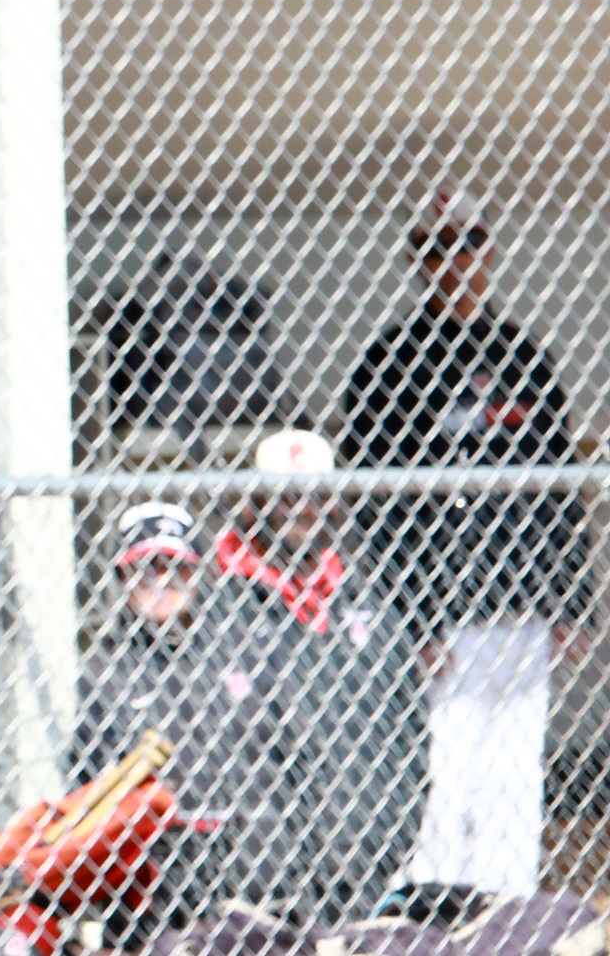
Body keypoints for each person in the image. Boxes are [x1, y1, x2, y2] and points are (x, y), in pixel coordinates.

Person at [340, 185, 594, 898]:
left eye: (468, 242)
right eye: (435, 247)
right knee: (441, 782)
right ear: (414, 260)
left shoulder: (524, 356)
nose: (454, 260)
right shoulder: (388, 364)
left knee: (513, 780)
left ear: (490, 250)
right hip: (441, 606)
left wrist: (574, 600)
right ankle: (435, 923)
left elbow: (558, 483)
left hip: (520, 599)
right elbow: (375, 504)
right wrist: (409, 616)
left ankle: (507, 920)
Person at [74, 502, 346, 932]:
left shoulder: (250, 649)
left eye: (173, 567)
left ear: (196, 574)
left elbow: (307, 762)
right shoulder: (102, 673)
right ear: (122, 579)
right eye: (143, 569)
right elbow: (88, 796)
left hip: (267, 891)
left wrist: (326, 870)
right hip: (162, 904)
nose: (160, 581)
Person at [211, 429, 427, 923]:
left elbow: (410, 731)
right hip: (259, 894)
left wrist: (389, 837)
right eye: (286, 497)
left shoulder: (365, 600)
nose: (302, 510)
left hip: (365, 872)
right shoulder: (218, 608)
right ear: (253, 504)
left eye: (316, 495)